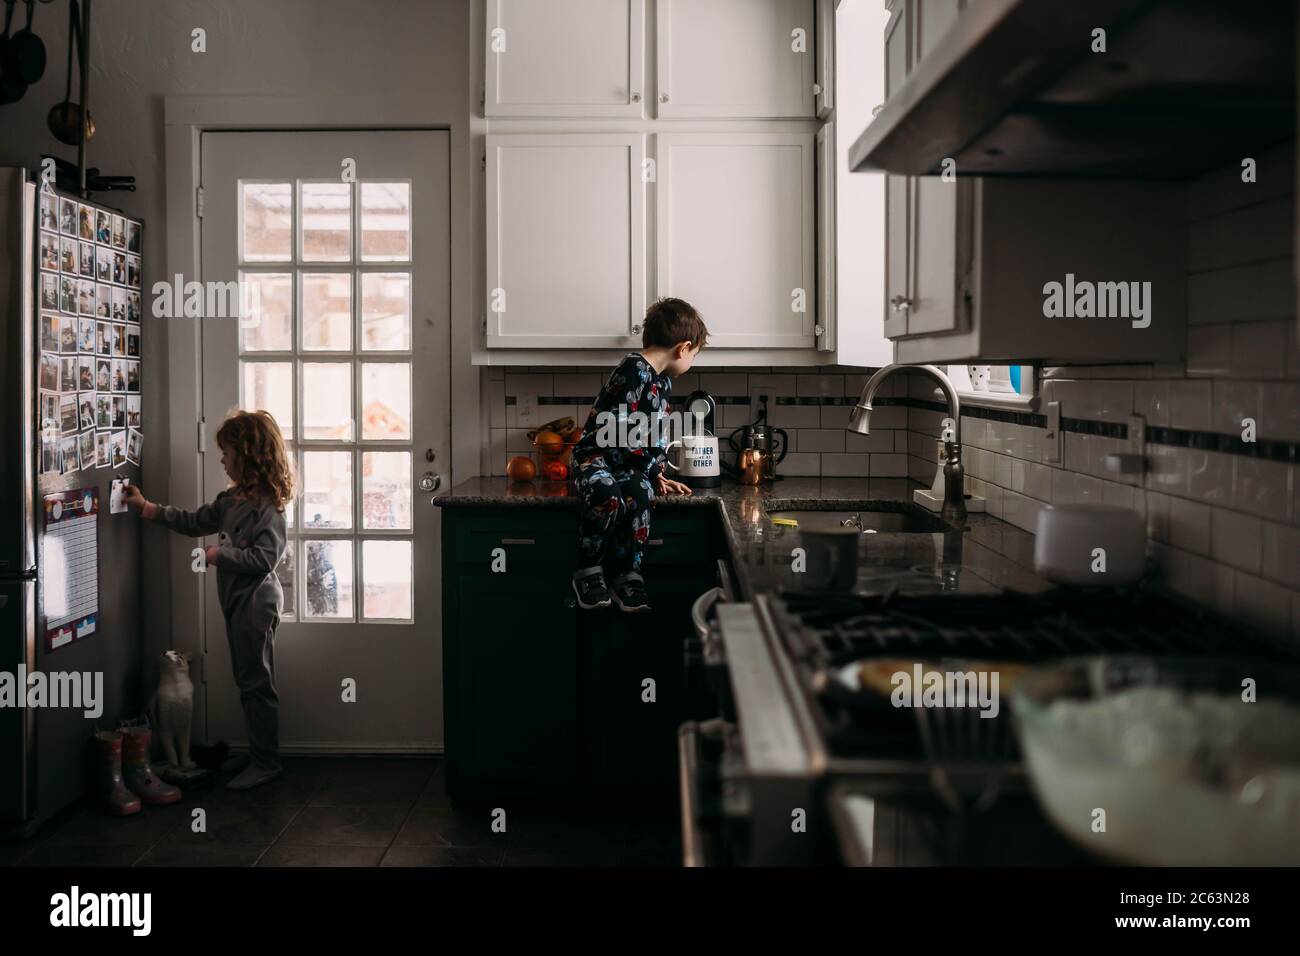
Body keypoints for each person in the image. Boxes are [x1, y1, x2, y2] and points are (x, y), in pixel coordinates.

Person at [123, 410, 294, 790]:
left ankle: (267, 762)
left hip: (256, 604)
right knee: (246, 680)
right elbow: (193, 522)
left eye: (227, 453)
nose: (222, 460)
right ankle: (258, 752)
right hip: (236, 603)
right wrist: (147, 508)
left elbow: (266, 559)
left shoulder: (269, 507)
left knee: (256, 683)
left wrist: (219, 556)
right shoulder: (231, 500)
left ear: (248, 456)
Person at [570, 298, 707, 613]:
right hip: (597, 459)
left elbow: (652, 432)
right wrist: (648, 464)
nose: (692, 362)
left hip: (627, 465)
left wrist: (655, 472)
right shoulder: (634, 367)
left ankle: (626, 574)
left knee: (641, 494)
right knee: (608, 495)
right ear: (683, 348)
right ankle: (587, 571)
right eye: (695, 355)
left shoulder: (661, 381)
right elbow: (621, 430)